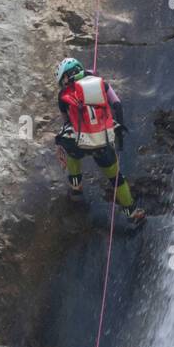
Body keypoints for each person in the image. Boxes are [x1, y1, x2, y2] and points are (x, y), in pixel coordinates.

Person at [54, 58, 145, 225]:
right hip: (102, 142)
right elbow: (117, 105)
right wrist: (119, 137)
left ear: (65, 77)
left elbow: (67, 122)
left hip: (80, 143)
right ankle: (132, 213)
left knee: (71, 152)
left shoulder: (63, 95)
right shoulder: (101, 83)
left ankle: (76, 187)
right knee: (116, 178)